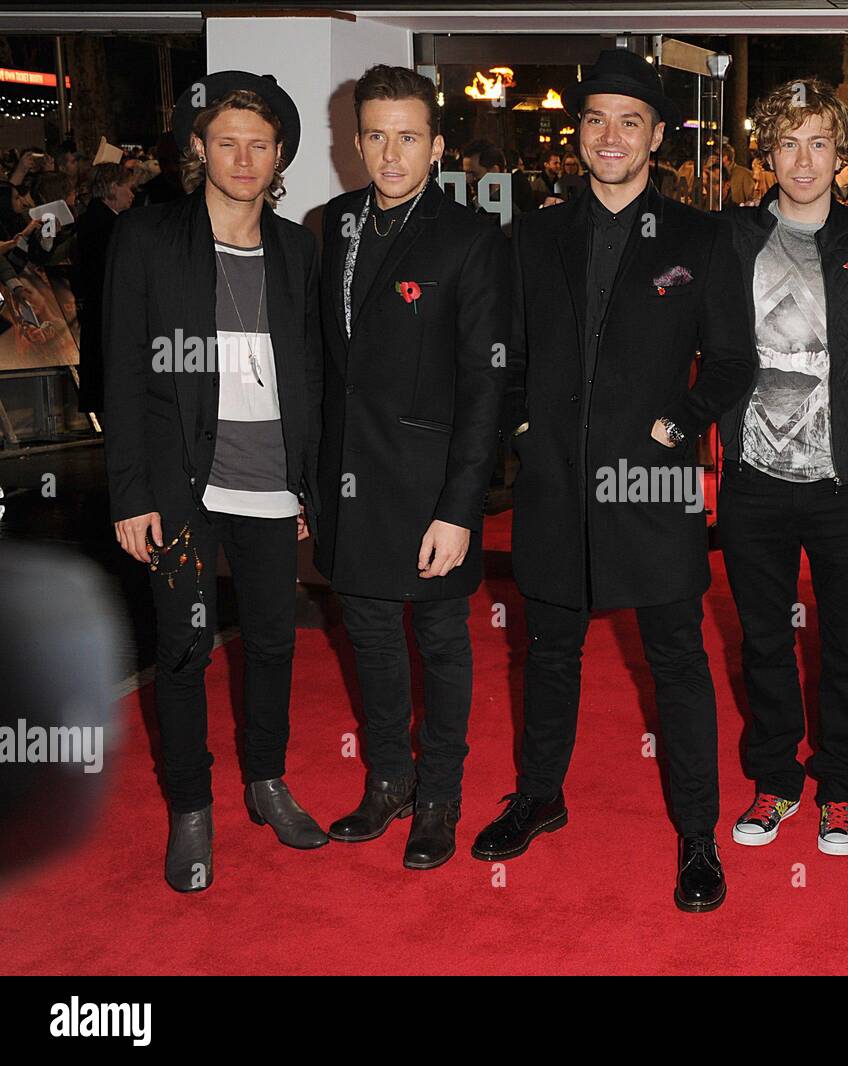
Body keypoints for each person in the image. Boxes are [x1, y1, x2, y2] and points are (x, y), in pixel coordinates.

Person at [472, 48, 755, 913]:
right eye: (596, 119)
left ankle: (698, 835)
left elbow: (735, 362)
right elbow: (505, 355)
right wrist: (523, 427)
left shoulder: (702, 239)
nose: (610, 136)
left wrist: (676, 426)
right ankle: (541, 794)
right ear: (579, 130)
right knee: (547, 652)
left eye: (630, 122)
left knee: (677, 660)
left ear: (657, 137)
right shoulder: (533, 235)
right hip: (556, 486)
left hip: (656, 487)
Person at [103, 71, 329, 893]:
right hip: (181, 487)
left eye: (258, 145)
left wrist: (308, 482)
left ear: (278, 158)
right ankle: (191, 808)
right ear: (199, 148)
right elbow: (121, 370)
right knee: (185, 651)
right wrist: (131, 492)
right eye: (226, 140)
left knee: (272, 644)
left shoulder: (296, 247)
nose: (242, 157)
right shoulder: (151, 238)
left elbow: (307, 371)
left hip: (271, 485)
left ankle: (266, 782)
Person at [718, 77, 848, 857]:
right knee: (763, 641)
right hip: (753, 481)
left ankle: (840, 789)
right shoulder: (730, 238)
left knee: (844, 644)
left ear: (841, 154)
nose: (804, 160)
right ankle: (774, 782)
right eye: (788, 143)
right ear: (767, 151)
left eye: (820, 143)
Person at [314, 66, 508, 870]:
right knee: (367, 635)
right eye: (375, 136)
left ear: (435, 145)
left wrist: (461, 508)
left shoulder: (471, 239)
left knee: (438, 639)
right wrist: (307, 481)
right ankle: (389, 780)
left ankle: (440, 797)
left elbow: (488, 384)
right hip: (346, 483)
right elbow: (321, 365)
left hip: (430, 488)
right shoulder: (330, 225)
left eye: (408, 137)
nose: (390, 154)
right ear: (354, 141)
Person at [74, 162, 135, 415]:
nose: (132, 194)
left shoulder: (96, 219)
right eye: (128, 188)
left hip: (98, 310)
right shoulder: (109, 225)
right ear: (113, 188)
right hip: (108, 313)